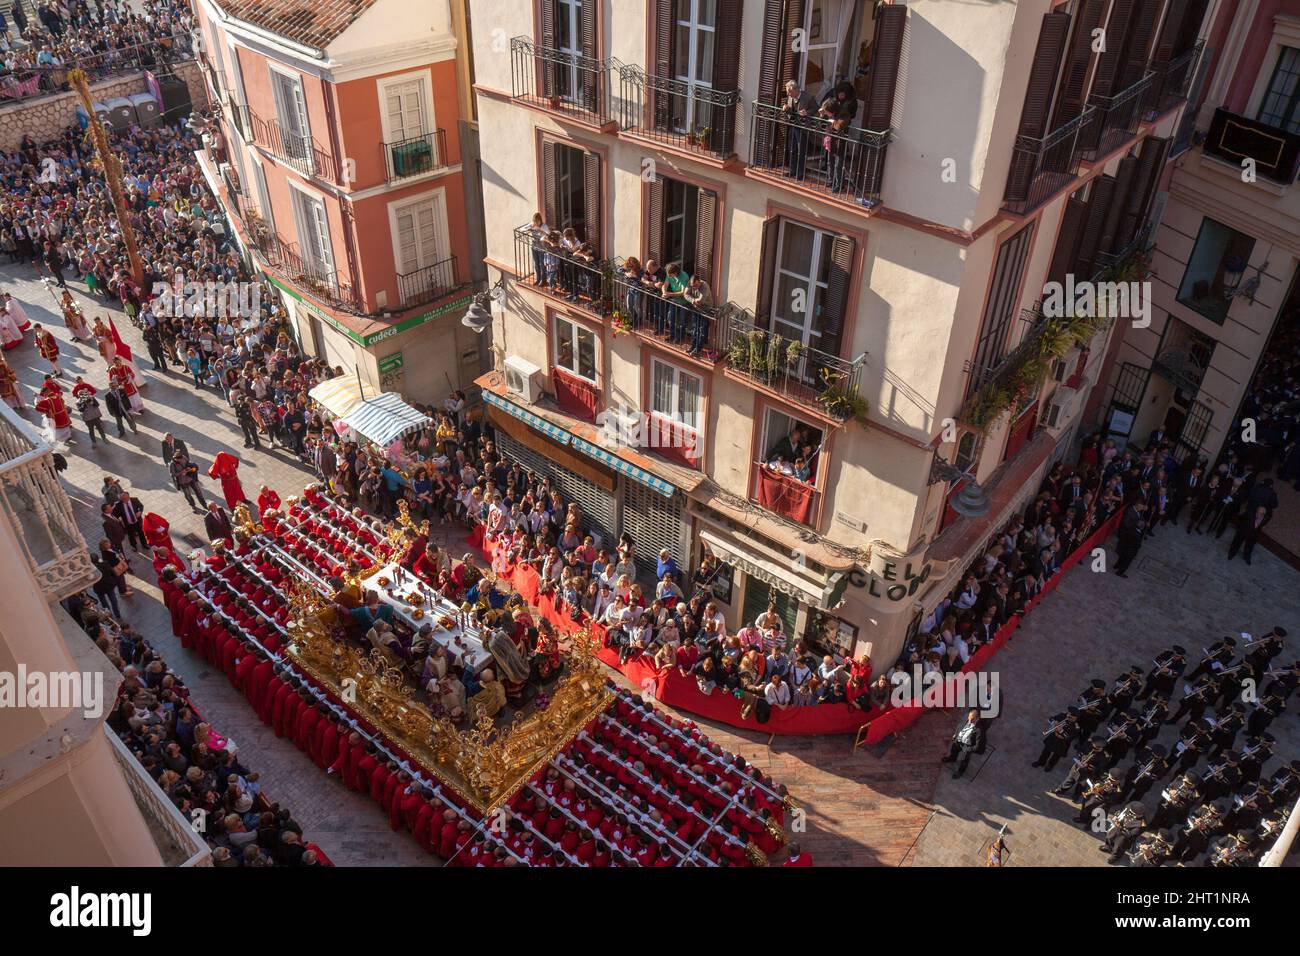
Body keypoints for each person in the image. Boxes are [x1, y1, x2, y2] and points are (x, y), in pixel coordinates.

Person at [941, 709, 984, 778]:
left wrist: (968, 749)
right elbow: (960, 726)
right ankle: (952, 758)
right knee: (954, 750)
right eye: (969, 718)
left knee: (964, 760)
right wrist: (955, 734)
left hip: (967, 747)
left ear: (977, 719)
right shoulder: (966, 719)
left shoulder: (979, 730)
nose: (969, 721)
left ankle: (960, 772)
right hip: (958, 740)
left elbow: (978, 746)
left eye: (972, 719)